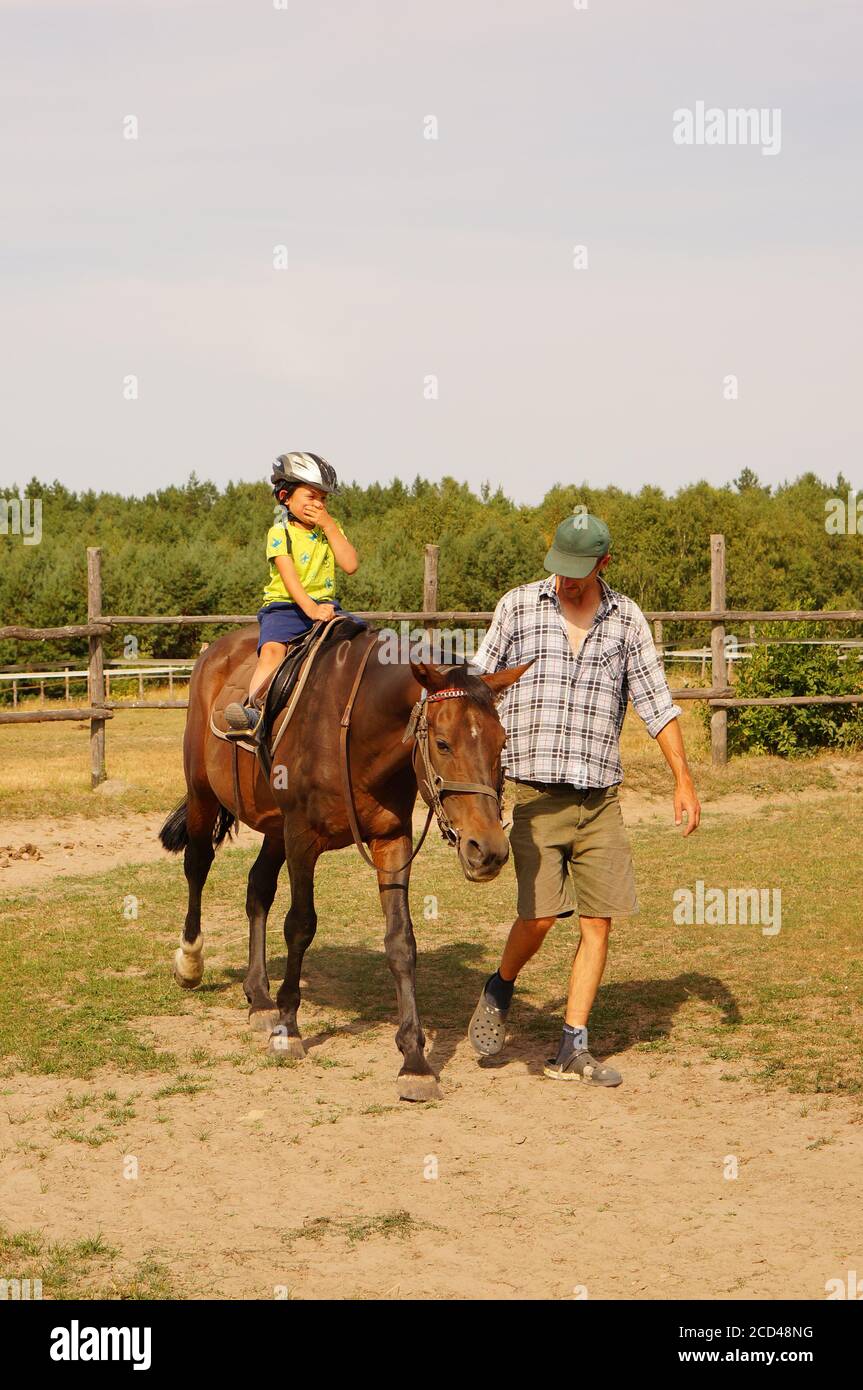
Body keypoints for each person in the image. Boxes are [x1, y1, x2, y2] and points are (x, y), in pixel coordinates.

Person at [468, 512, 701, 1086]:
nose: (567, 582)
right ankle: (500, 985)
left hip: (601, 799)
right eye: (560, 570)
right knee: (542, 916)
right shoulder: (519, 607)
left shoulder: (627, 620)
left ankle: (573, 1045)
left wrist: (684, 779)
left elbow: (657, 703)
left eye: (579, 572)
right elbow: (475, 687)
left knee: (598, 922)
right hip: (535, 798)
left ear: (604, 563)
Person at [224, 453, 359, 730]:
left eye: (324, 499)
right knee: (273, 651)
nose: (319, 505)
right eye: (311, 496)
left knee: (360, 644)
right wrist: (311, 609)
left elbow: (350, 565)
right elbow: (289, 580)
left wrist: (330, 526)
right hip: (286, 607)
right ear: (285, 496)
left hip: (326, 606)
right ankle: (255, 710)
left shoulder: (329, 530)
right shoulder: (279, 533)